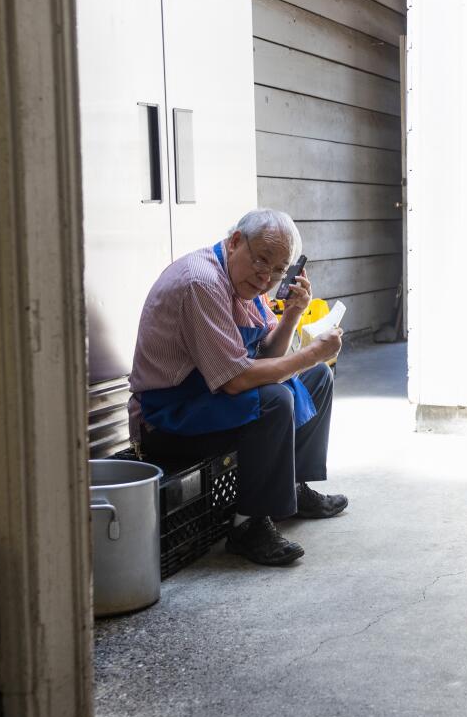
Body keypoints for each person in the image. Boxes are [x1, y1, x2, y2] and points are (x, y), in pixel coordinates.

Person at [129, 209, 346, 566]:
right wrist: (307, 355)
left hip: (211, 397)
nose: (267, 278)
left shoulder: (248, 282)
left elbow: (265, 352)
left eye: (278, 270)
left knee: (317, 377)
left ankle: (293, 487)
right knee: (274, 399)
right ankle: (248, 526)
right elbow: (236, 381)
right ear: (234, 243)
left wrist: (292, 313)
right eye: (261, 260)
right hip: (169, 416)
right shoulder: (200, 282)